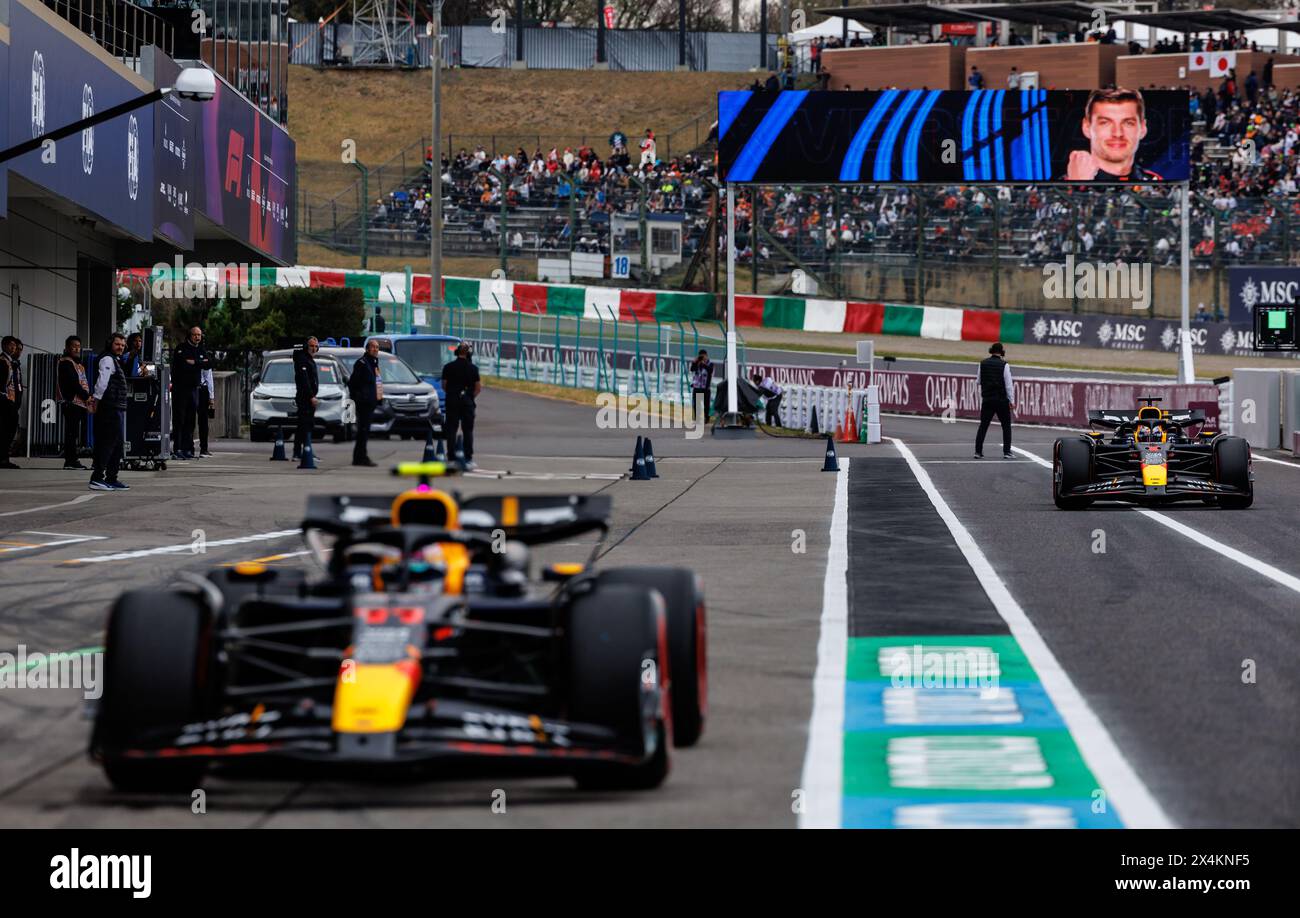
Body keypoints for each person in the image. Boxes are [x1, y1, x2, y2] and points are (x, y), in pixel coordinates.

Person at [1064, 88, 1164, 182]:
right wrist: (1076, 187)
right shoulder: (1057, 189)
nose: (1117, 133)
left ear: (1142, 129)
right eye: (1105, 123)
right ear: (1086, 127)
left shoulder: (1159, 187)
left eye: (1128, 123)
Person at [88, 333, 129, 490]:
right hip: (109, 408)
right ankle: (97, 477)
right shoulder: (107, 359)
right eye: (117, 344)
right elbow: (102, 382)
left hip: (115, 407)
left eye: (123, 345)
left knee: (117, 445)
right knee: (107, 443)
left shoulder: (115, 360)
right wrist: (96, 401)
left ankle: (112, 478)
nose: (120, 347)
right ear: (110, 344)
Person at [440, 342, 481, 470]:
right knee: (468, 430)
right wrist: (469, 397)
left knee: (451, 429)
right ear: (469, 353)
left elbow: (444, 385)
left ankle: (451, 456)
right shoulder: (473, 369)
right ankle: (468, 457)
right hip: (467, 402)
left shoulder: (448, 367)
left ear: (457, 352)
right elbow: (478, 388)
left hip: (452, 400)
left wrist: (453, 394)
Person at [171, 326, 209, 460]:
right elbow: (183, 365)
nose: (197, 337)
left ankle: (189, 449)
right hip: (180, 389)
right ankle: (178, 448)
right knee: (179, 419)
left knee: (191, 420)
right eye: (195, 335)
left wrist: (195, 362)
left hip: (194, 389)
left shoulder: (201, 349)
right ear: (190, 335)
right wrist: (199, 363)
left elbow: (208, 363)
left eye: (199, 335)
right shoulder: (181, 348)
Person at [55, 335, 91, 470]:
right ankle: (70, 461)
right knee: (71, 433)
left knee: (75, 433)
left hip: (79, 403)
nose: (76, 348)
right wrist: (86, 396)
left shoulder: (78, 364)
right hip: (71, 402)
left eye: (78, 346)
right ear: (67, 348)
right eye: (73, 346)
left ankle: (73, 459)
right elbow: (73, 383)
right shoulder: (65, 362)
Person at [974, 342, 1014, 459]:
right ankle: (1007, 452)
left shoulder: (983, 363)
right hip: (1001, 400)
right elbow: (1008, 385)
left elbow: (978, 381)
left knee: (983, 426)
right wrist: (1011, 400)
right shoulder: (1004, 365)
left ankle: (978, 451)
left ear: (991, 350)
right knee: (1006, 426)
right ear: (1001, 352)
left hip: (987, 399)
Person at [348, 339, 383, 467]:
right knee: (362, 431)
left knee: (365, 431)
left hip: (371, 403)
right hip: (363, 403)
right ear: (367, 349)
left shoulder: (374, 363)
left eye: (377, 347)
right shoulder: (362, 363)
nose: (375, 349)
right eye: (373, 347)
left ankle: (359, 457)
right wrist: (359, 398)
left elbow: (377, 383)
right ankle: (361, 457)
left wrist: (378, 398)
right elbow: (353, 383)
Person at [293, 337, 320, 460]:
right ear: (306, 347)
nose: (314, 348)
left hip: (309, 397)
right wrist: (311, 396)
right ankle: (301, 452)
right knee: (304, 425)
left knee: (305, 425)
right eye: (311, 346)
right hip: (305, 398)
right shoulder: (303, 360)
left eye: (315, 346)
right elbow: (305, 381)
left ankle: (304, 451)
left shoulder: (310, 360)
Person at [0, 336, 20, 468]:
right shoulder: (2, 361)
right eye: (11, 345)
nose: (14, 348)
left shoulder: (11, 362)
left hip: (10, 400)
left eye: (15, 346)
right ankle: (2, 458)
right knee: (5, 430)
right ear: (4, 346)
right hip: (4, 400)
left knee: (10, 429)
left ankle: (4, 457)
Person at [688, 349, 714, 424]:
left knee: (706, 405)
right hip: (697, 386)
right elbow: (692, 369)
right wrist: (695, 362)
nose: (702, 358)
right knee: (696, 404)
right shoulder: (697, 362)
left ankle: (706, 418)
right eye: (701, 356)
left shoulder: (710, 363)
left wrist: (703, 364)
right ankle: (697, 418)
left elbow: (710, 370)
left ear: (706, 356)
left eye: (703, 356)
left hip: (705, 387)